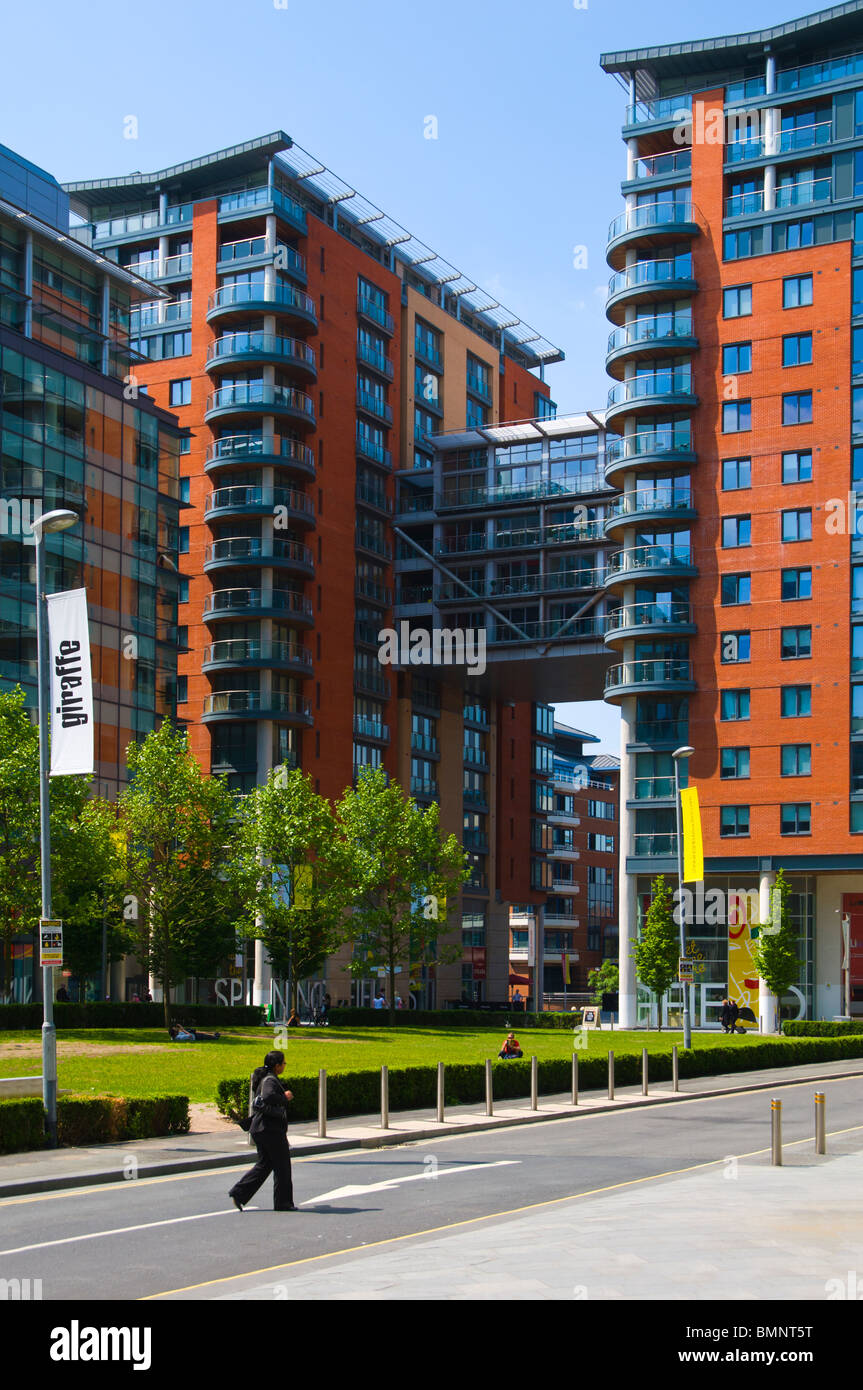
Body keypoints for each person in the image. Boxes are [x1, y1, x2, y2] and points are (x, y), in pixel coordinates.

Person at [229, 1050, 296, 1212]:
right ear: (277, 1065)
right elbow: (268, 1097)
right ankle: (283, 1203)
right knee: (282, 1166)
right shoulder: (270, 1080)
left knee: (265, 1164)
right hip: (270, 1129)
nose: (285, 1066)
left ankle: (239, 1193)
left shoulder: (267, 1078)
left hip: (261, 1129)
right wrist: (285, 1098)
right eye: (283, 1063)